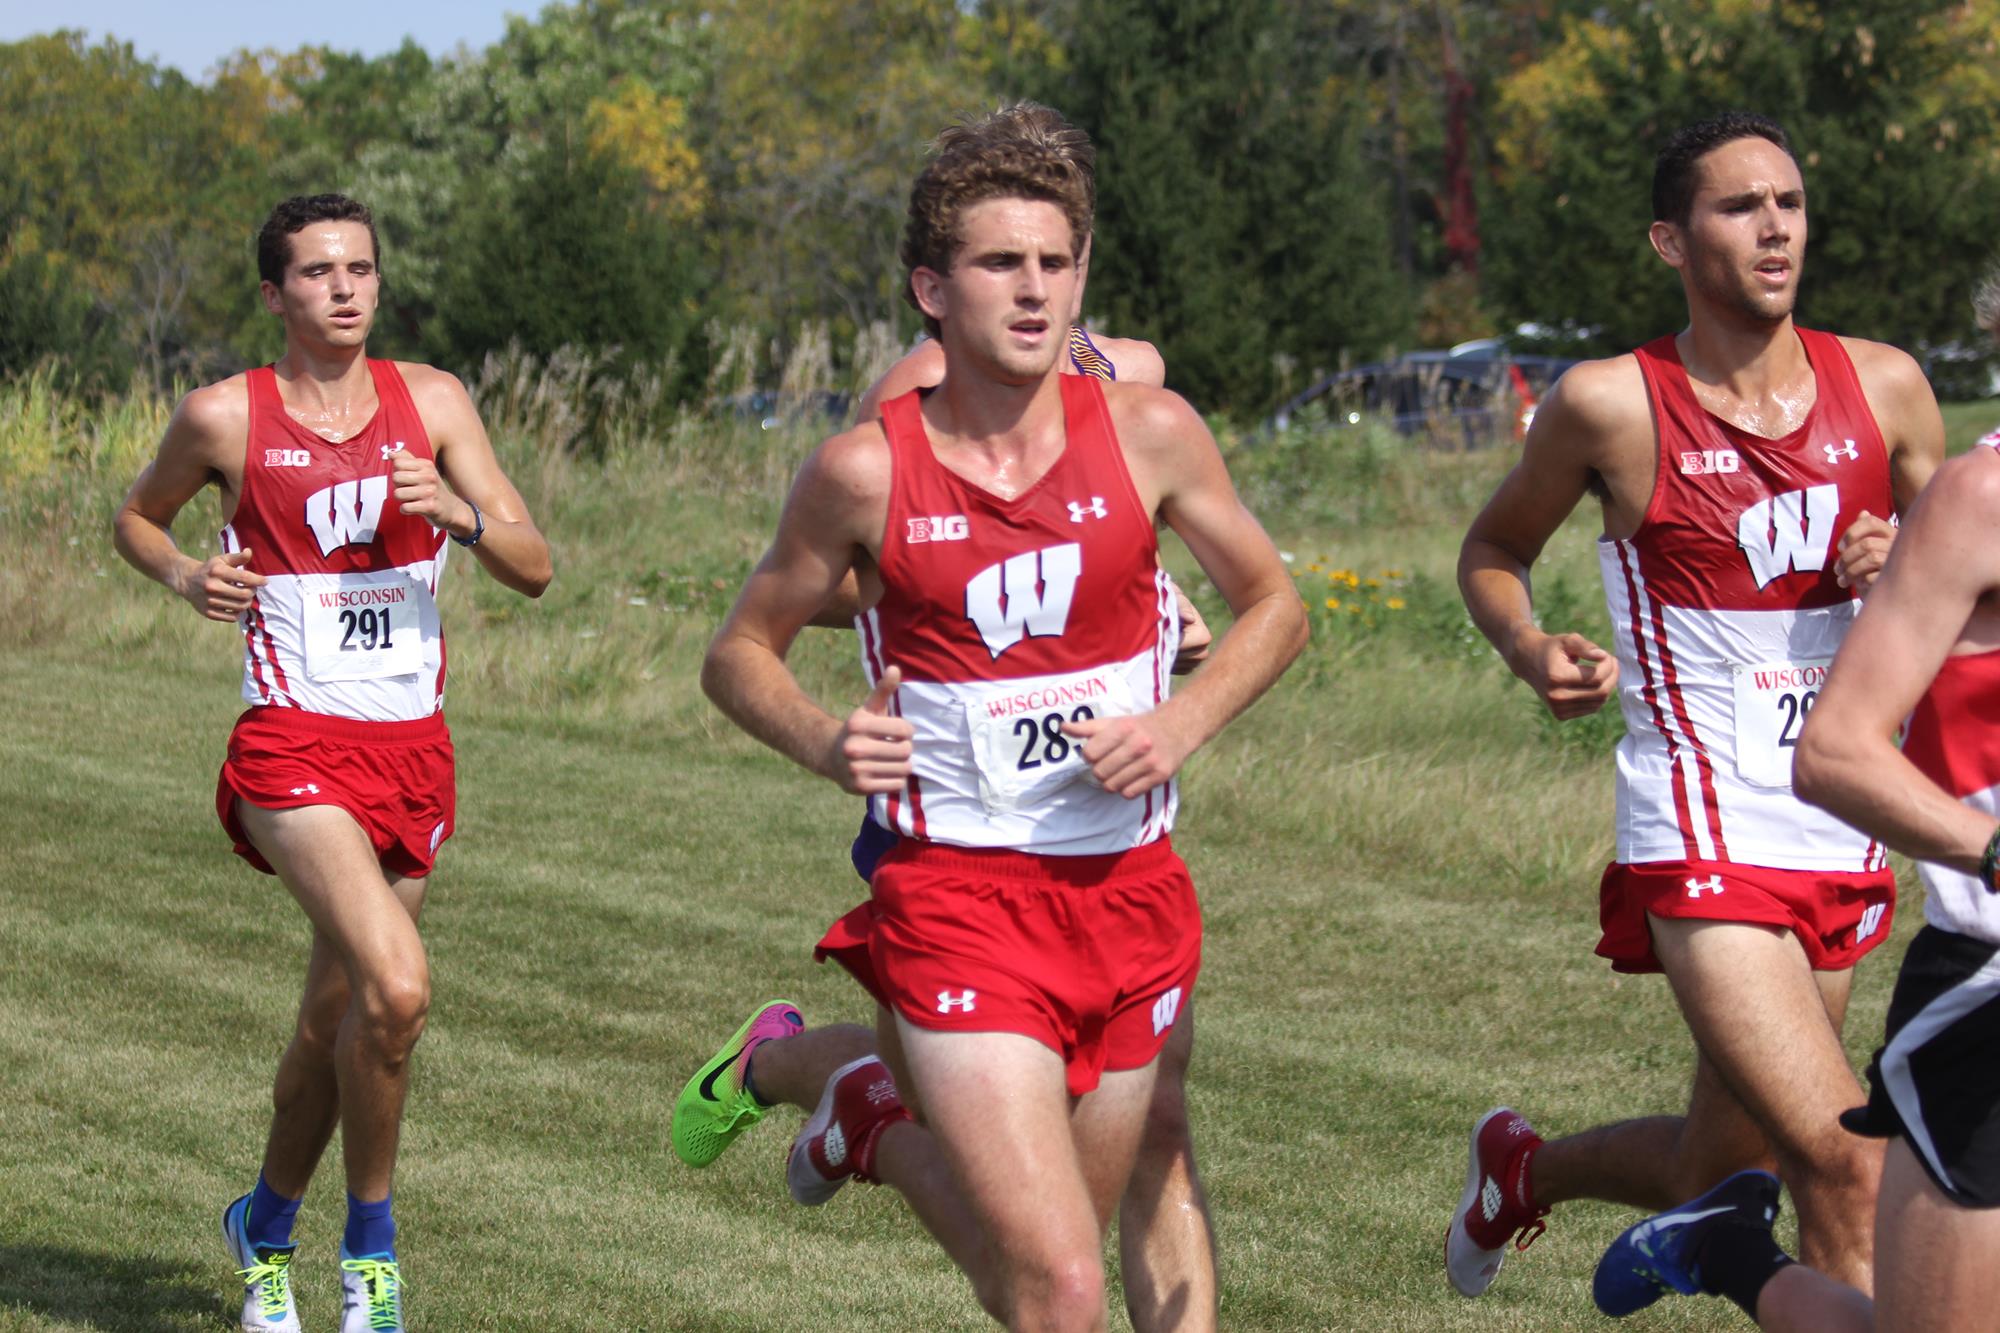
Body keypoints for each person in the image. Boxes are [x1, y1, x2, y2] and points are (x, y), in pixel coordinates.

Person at [696, 110, 1306, 1329]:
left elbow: (1275, 606)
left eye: (1054, 263)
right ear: (932, 286)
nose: (1033, 291)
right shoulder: (862, 470)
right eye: (997, 263)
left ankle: (867, 1120)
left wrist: (1181, 719)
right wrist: (827, 739)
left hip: (1126, 893)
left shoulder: (1151, 433)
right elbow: (737, 651)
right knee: (1064, 1289)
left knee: (1035, 1270)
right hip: (956, 898)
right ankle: (866, 1107)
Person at [1447, 110, 1943, 1302]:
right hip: (1696, 824)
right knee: (1840, 1164)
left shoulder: (1884, 386)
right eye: (1738, 206)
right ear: (1669, 240)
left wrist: (1907, 562)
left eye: (1788, 202)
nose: (1774, 228)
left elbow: (1969, 588)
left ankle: (1523, 1171)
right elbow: (1491, 548)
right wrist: (1528, 646)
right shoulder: (1610, 404)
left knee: (1720, 1162)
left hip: (1838, 820)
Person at [112, 194, 551, 1333]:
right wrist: (182, 578)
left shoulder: (435, 402)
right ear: (275, 294)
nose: (345, 288)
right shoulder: (223, 416)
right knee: (399, 986)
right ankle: (372, 1256)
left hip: (411, 749)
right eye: (316, 272)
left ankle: (261, 1227)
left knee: (336, 1015)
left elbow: (535, 563)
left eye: (360, 268)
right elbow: (138, 520)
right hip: (288, 744)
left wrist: (456, 511)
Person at [1586, 266, 2000, 1331]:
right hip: (1972, 977)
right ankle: (1725, 1245)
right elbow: (1838, 752)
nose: (1774, 227)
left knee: (1785, 1167)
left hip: (1822, 857)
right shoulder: (1976, 500)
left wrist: (1882, 562)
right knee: (1838, 1172)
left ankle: (1714, 1236)